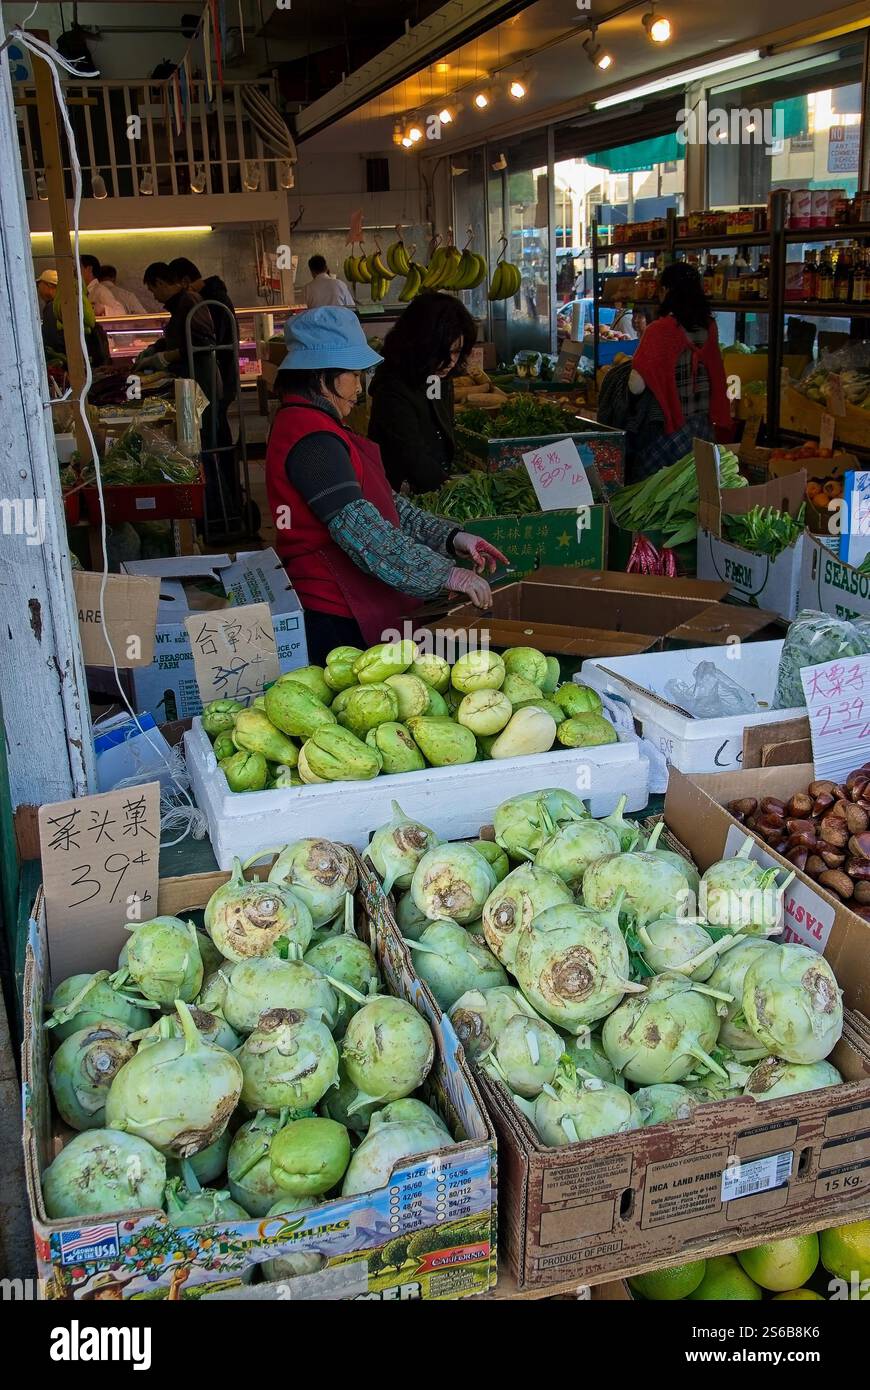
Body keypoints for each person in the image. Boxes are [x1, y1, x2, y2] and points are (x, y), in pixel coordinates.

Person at [265, 307, 508, 664]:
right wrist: (448, 575)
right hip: (338, 614)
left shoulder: (320, 425)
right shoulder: (312, 441)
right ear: (322, 376)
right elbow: (366, 535)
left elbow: (392, 507)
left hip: (356, 600)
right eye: (353, 375)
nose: (360, 388)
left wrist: (454, 537)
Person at [626, 261, 730, 479]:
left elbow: (636, 385)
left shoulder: (659, 330)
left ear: (666, 291)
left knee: (656, 491)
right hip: (702, 428)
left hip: (668, 429)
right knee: (694, 488)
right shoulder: (709, 327)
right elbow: (716, 374)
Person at [367, 292, 476, 494]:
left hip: (432, 487)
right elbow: (411, 455)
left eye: (456, 352)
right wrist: (453, 490)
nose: (450, 363)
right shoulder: (392, 388)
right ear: (419, 344)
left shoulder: (436, 375)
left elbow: (440, 424)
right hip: (400, 494)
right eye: (443, 353)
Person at [168, 255, 240, 405]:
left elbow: (212, 341)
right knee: (218, 420)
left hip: (220, 372)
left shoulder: (212, 301)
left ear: (185, 281)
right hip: (219, 371)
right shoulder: (208, 297)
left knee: (217, 420)